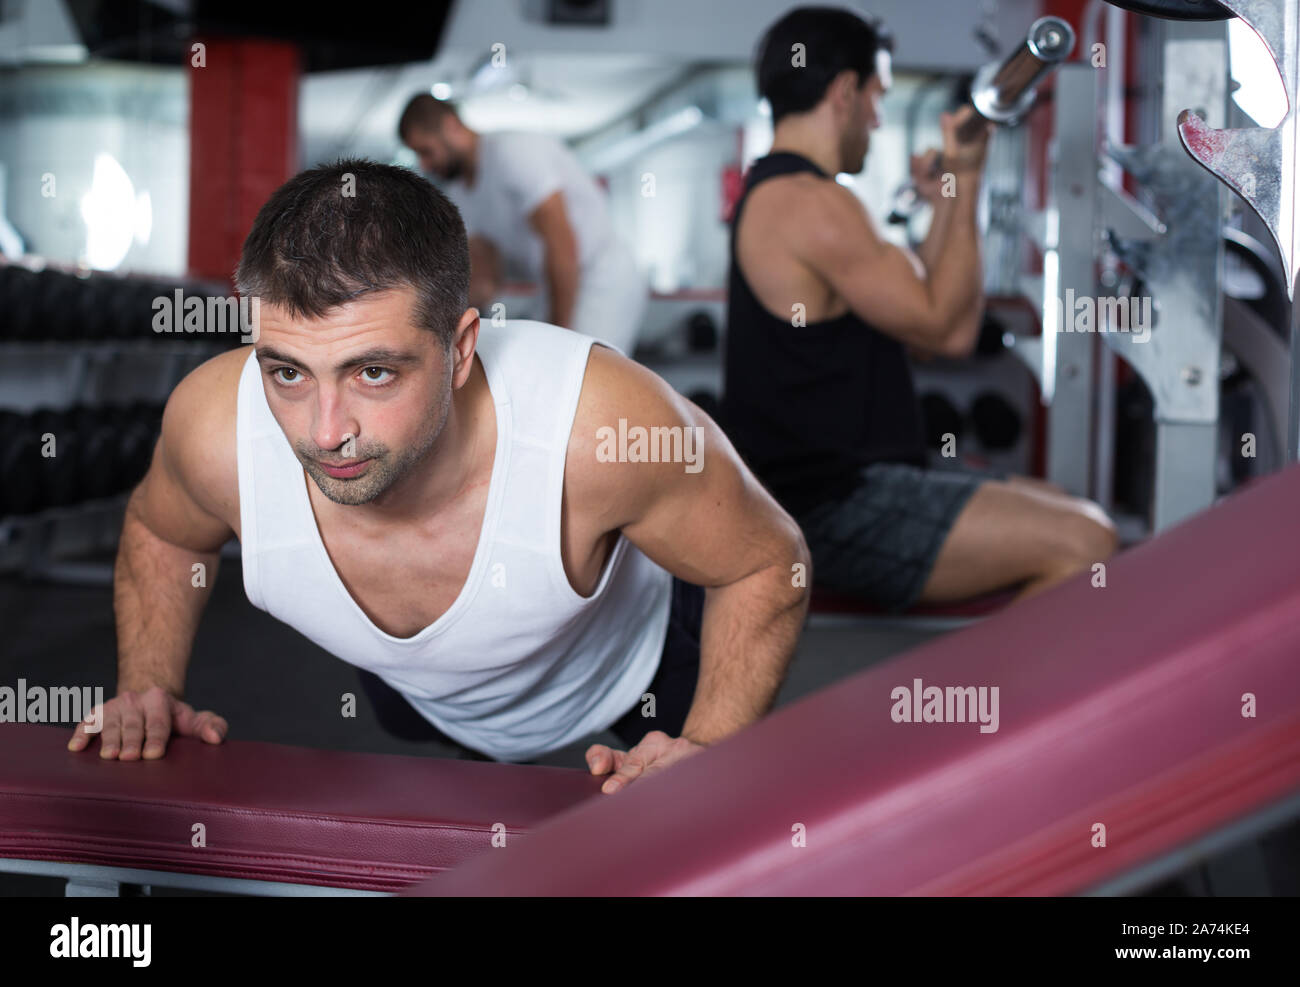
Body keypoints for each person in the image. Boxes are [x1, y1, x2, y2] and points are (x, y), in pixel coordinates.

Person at [67, 159, 808, 796]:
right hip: (417, 695)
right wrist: (149, 688)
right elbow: (163, 530)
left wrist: (708, 747)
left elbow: (769, 561)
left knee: (710, 821)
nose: (325, 432)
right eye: (288, 372)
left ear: (460, 349)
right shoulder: (213, 427)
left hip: (624, 665)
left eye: (374, 371)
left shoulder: (600, 429)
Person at [722, 6, 1117, 613]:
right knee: (1087, 540)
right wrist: (968, 173)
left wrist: (948, 195)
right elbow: (953, 331)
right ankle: (1013, 707)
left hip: (848, 486)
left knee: (1062, 502)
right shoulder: (812, 203)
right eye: (877, 97)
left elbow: (924, 320)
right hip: (828, 508)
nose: (878, 120)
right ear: (845, 91)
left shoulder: (791, 196)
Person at [398, 94, 647, 356]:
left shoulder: (511, 153)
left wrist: (560, 333)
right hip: (553, 283)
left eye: (426, 151)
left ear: (451, 126)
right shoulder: (461, 194)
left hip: (600, 277)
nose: (424, 164)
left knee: (580, 373)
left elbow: (561, 242)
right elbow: (484, 279)